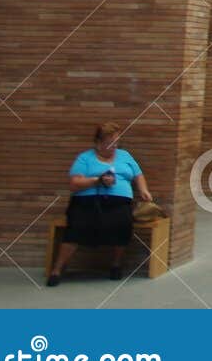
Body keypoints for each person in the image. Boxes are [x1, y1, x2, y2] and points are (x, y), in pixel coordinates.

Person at [48, 121, 153, 287]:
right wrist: (98, 181)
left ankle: (116, 264)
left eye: (116, 142)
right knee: (76, 227)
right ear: (97, 143)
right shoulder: (85, 158)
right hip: (87, 201)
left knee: (122, 223)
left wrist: (143, 190)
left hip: (119, 203)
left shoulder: (125, 156)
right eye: (108, 143)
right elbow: (74, 183)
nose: (113, 146)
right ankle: (57, 270)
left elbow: (138, 175)